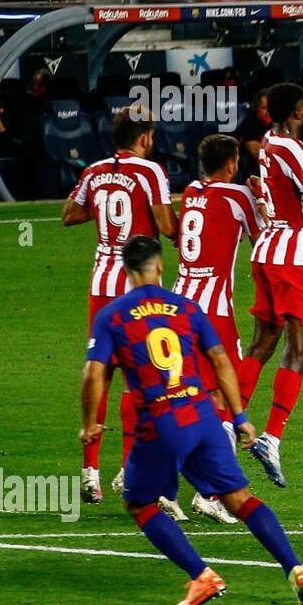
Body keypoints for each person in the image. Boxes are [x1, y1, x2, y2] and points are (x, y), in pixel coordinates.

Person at [80, 235, 303, 605]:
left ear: (125, 271)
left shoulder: (112, 315)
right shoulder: (186, 307)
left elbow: (95, 374)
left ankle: (201, 576)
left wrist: (90, 424)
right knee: (240, 499)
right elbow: (221, 360)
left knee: (139, 503)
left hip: (160, 423)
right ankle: (299, 570)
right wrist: (239, 416)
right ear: (160, 267)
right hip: (203, 417)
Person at [62, 107, 177, 506]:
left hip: (101, 280)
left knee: (100, 369)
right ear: (144, 136)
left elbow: (68, 214)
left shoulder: (93, 172)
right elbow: (166, 226)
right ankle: (130, 468)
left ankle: (89, 472)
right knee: (141, 375)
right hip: (136, 283)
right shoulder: (151, 172)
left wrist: (105, 208)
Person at [238, 82, 303, 488]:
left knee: (263, 341)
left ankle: (232, 419)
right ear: (296, 111)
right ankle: (272, 435)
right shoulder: (291, 147)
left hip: (267, 248)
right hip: (295, 256)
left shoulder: (269, 141)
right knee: (299, 344)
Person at [171, 133, 265, 525]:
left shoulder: (191, 190)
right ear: (231, 164)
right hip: (213, 310)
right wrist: (259, 196)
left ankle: (162, 480)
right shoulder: (237, 196)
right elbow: (265, 235)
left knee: (186, 395)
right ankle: (210, 492)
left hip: (177, 303)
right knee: (227, 394)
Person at [234, 89, 272, 181]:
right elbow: (256, 152)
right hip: (249, 174)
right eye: (264, 108)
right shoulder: (249, 123)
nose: (268, 112)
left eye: (271, 108)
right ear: (256, 108)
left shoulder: (276, 123)